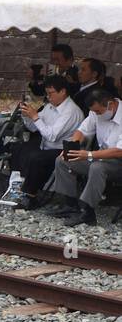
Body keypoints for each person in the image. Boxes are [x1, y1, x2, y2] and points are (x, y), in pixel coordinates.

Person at [44, 88, 122, 226]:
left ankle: (88, 212)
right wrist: (71, 147)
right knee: (63, 160)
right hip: (100, 155)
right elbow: (82, 130)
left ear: (110, 104)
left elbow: (119, 151)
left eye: (99, 111)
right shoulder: (95, 112)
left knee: (98, 168)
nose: (97, 114)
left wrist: (89, 154)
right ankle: (70, 204)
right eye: (94, 112)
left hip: (117, 160)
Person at [9, 75, 84, 208]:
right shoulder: (50, 106)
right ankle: (16, 187)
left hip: (63, 149)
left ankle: (30, 196)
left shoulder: (71, 111)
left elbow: (52, 136)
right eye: (47, 94)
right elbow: (33, 128)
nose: (48, 97)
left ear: (63, 92)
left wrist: (35, 116)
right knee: (18, 148)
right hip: (46, 145)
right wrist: (27, 116)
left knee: (36, 158)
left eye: (51, 93)